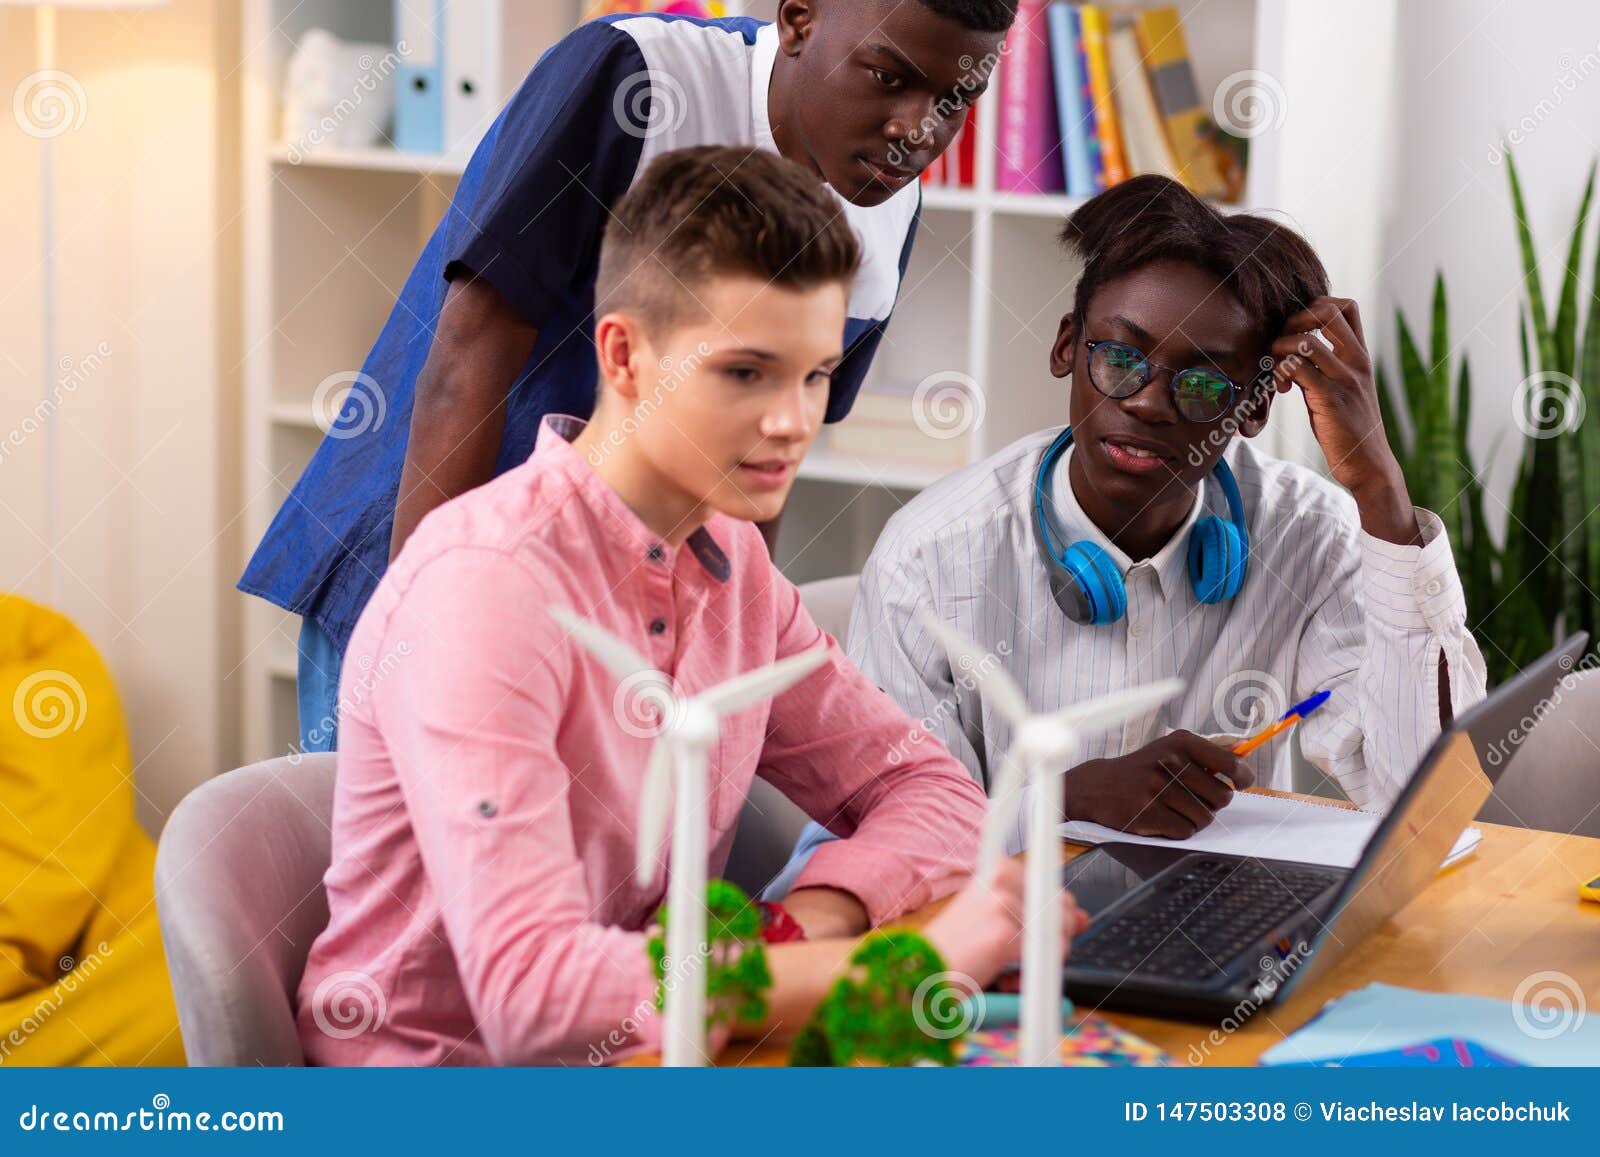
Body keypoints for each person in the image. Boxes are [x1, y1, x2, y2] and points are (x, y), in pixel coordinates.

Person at [295, 147, 1085, 1067]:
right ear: (624, 355)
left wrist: (805, 924)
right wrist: (892, 966)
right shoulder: (486, 585)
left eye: (816, 374)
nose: (793, 421)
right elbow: (533, 995)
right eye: (746, 372)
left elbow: (930, 788)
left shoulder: (733, 560)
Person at [238, 0, 1020, 752]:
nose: (918, 131)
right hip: (428, 547)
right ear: (797, 19)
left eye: (956, 98)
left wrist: (727, 664)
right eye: (887, 77)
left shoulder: (886, 203)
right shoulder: (634, 78)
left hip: (620, 620)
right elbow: (465, 361)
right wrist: (435, 637)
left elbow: (759, 471)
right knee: (391, 838)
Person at [771, 174, 1488, 888]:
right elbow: (902, 840)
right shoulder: (928, 557)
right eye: (1120, 360)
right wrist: (1068, 800)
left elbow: (1425, 803)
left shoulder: (1312, 534)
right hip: (997, 932)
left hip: (1209, 924)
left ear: (1253, 409)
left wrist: (1379, 488)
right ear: (1066, 347)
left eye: (1203, 386)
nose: (1148, 404)